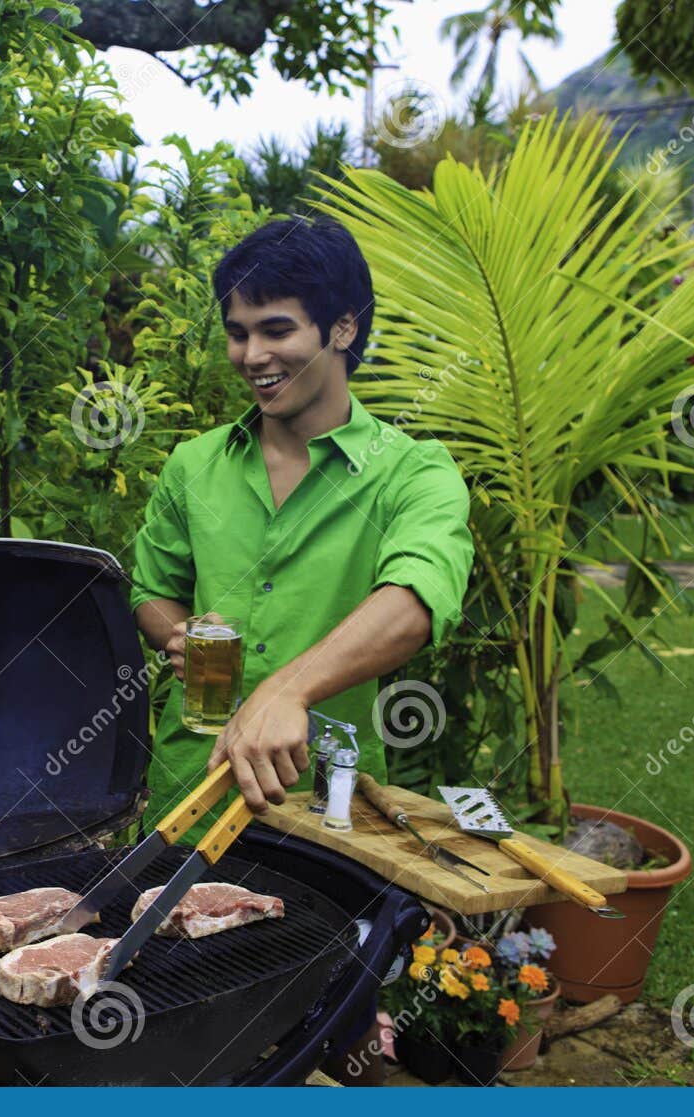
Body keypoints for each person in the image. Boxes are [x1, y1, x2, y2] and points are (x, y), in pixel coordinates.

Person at [129, 215, 474, 815]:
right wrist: (176, 632)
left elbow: (415, 602)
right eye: (238, 333)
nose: (252, 355)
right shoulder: (194, 466)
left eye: (276, 330)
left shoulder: (414, 474)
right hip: (186, 796)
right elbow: (151, 593)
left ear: (343, 327)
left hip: (325, 809)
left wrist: (288, 689)